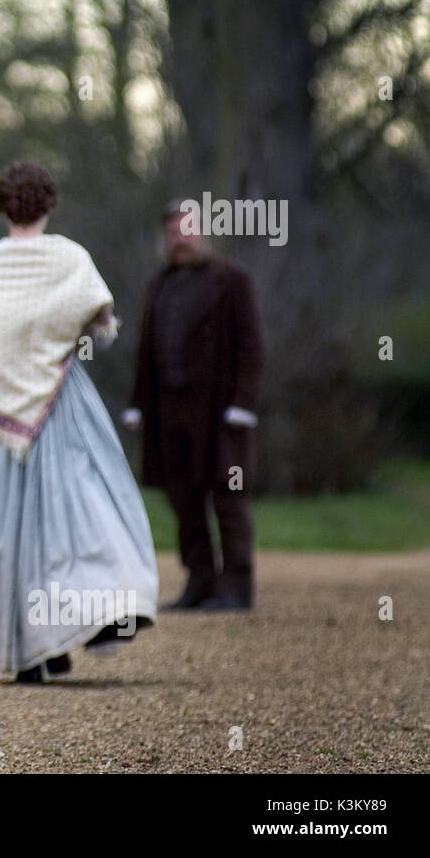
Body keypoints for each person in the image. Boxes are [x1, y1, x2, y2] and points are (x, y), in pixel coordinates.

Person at [0, 162, 158, 684]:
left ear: (1, 207)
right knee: (82, 509)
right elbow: (100, 327)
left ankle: (29, 649)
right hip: (57, 407)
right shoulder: (68, 257)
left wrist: (1, 376)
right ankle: (96, 613)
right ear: (50, 205)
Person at [120, 199, 263, 611]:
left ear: (203, 232)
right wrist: (137, 403)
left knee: (229, 499)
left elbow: (251, 346)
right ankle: (200, 581)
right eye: (171, 232)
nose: (179, 238)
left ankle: (236, 587)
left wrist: (243, 402)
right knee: (183, 501)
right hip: (169, 414)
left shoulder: (232, 280)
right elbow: (146, 350)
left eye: (186, 229)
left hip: (220, 414)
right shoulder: (159, 284)